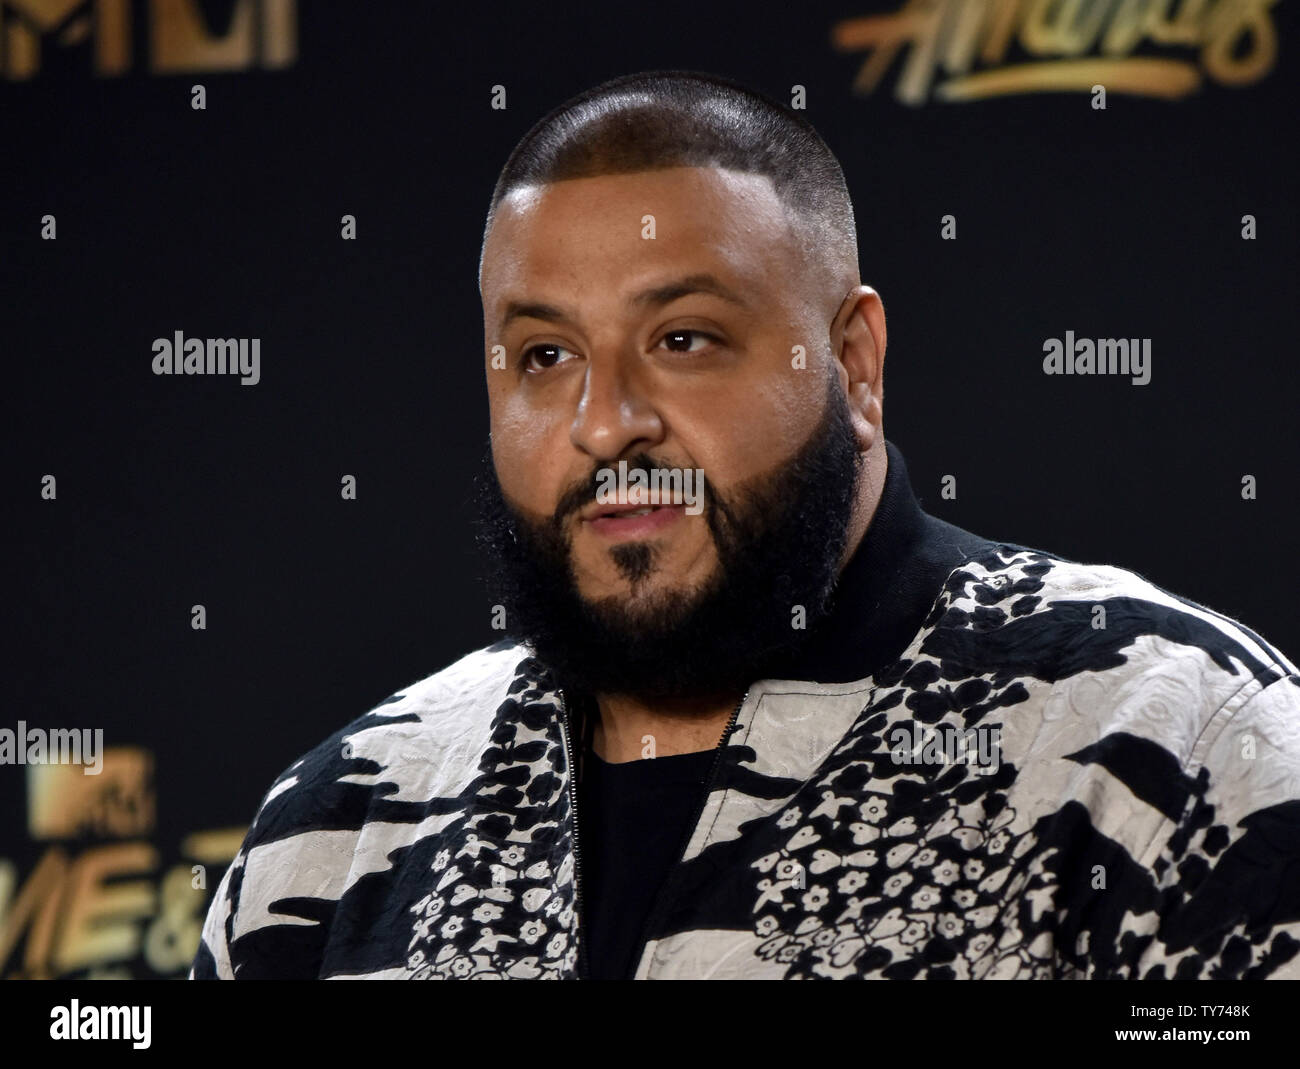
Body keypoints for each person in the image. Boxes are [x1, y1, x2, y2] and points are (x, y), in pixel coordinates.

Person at [191, 70, 1300, 980]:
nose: (604, 424)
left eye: (683, 338)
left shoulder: (1179, 740)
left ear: (852, 363)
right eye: (544, 356)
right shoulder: (331, 833)